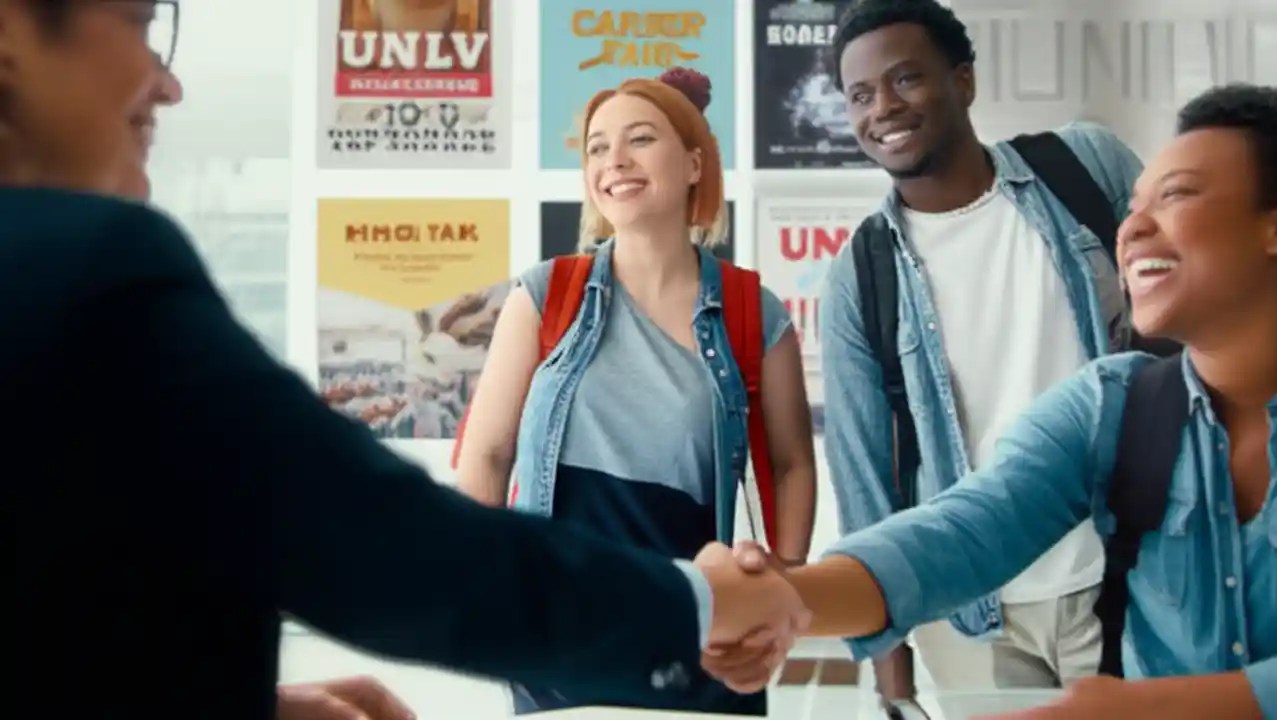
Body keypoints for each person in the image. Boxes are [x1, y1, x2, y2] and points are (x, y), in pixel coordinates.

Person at [0, 1, 809, 717]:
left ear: (695, 162)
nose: (170, 84)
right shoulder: (94, 266)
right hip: (600, 644)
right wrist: (695, 606)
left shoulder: (751, 310)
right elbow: (374, 539)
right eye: (143, 23)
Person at [709, 82, 1277, 720]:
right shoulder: (1115, 407)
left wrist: (1148, 708)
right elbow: (958, 534)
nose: (1133, 227)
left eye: (1176, 195)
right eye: (1134, 205)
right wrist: (784, 596)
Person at [453, 67, 818, 716]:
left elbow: (793, 465)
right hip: (558, 634)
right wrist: (485, 590)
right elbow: (486, 454)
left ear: (695, 164)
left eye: (640, 138)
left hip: (700, 636)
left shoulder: (751, 312)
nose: (614, 161)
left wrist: (781, 591)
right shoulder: (544, 295)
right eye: (597, 147)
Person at [817, 0, 1149, 711]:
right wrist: (892, 673)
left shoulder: (1084, 165)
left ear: (963, 80)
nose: (883, 108)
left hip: (1126, 574)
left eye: (906, 78)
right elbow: (865, 476)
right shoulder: (861, 274)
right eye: (860, 95)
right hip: (968, 613)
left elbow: (1189, 313)